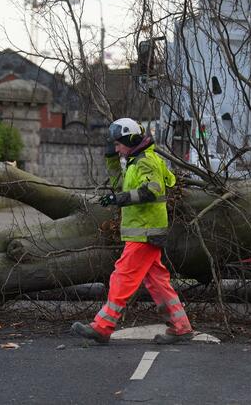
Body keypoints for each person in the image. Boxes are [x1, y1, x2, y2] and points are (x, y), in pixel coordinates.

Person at [71, 118, 193, 345]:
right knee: (158, 283)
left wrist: (119, 199)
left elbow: (151, 191)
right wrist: (111, 160)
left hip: (145, 233)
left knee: (122, 278)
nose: (116, 148)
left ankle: (103, 326)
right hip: (144, 232)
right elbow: (120, 185)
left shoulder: (146, 161)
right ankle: (181, 327)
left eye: (118, 144)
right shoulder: (136, 161)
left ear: (129, 139)